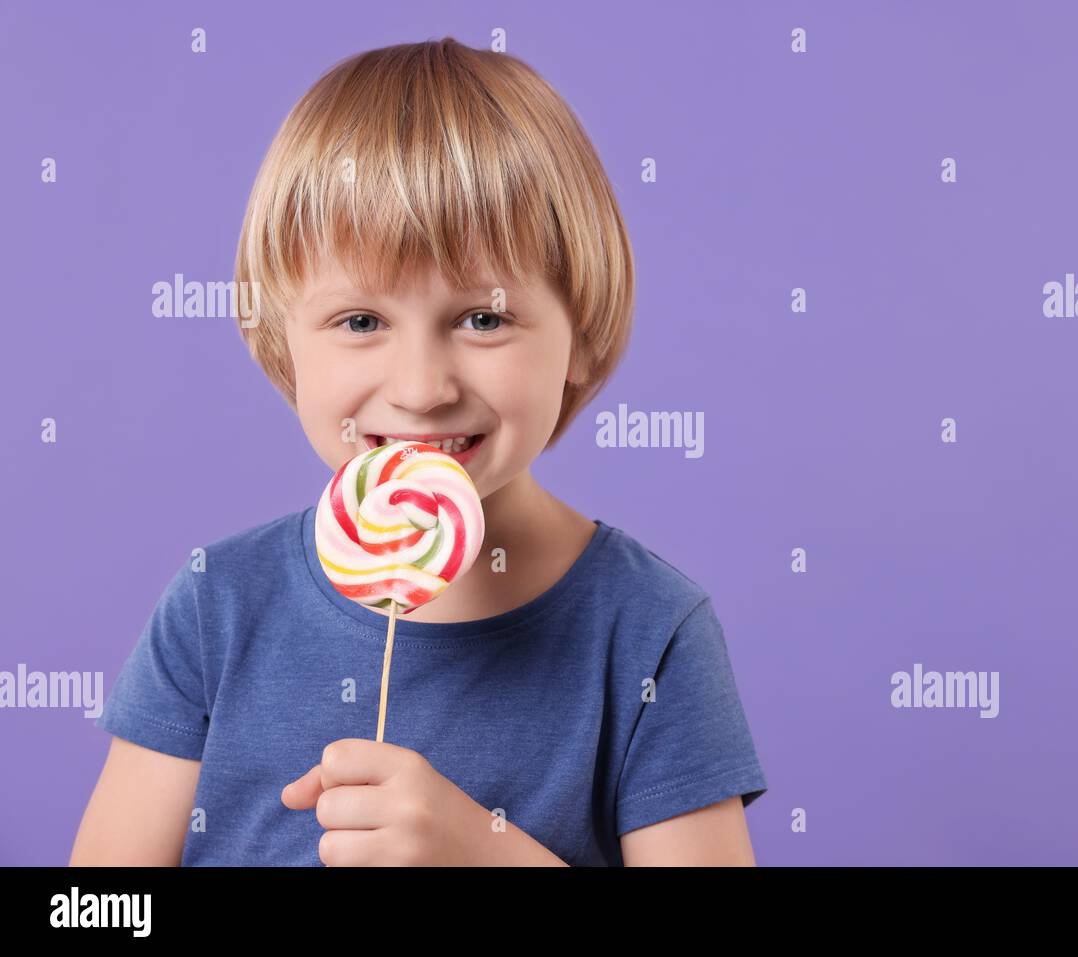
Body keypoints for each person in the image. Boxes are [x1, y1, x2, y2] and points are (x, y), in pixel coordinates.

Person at [70, 37, 766, 866]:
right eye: (361, 321)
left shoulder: (650, 633)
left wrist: (489, 852)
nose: (421, 385)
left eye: (483, 317)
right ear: (283, 344)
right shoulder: (216, 607)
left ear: (579, 334)